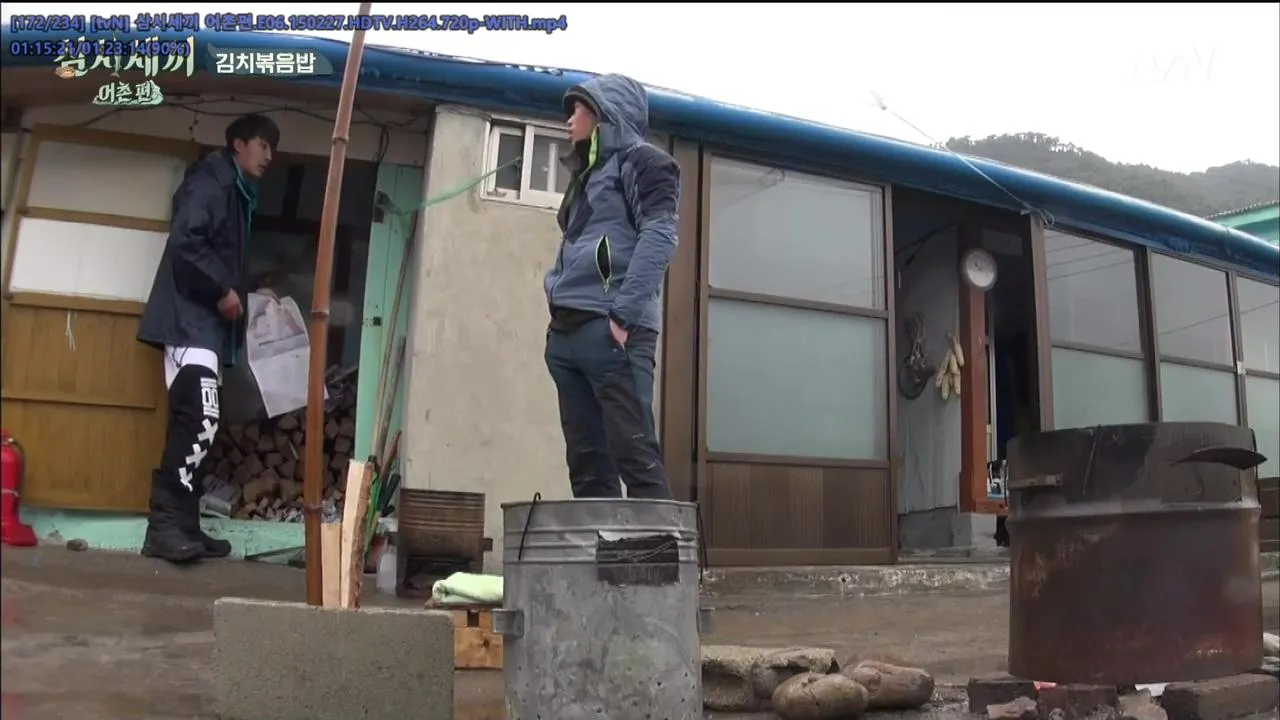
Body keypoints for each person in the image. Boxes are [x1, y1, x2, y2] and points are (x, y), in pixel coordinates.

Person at [136, 114, 279, 563]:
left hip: (205, 327)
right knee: (201, 420)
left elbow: (217, 255)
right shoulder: (211, 182)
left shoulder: (235, 191)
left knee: (197, 424)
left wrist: (248, 289)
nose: (269, 155)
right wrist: (221, 290)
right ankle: (163, 527)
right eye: (262, 144)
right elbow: (186, 243)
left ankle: (185, 526)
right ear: (238, 144)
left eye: (271, 148)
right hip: (188, 321)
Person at [543, 74, 681, 500]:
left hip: (614, 330)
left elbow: (660, 237)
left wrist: (621, 317)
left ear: (607, 114)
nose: (570, 120)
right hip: (567, 332)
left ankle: (657, 545)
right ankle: (601, 545)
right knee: (587, 465)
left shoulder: (645, 162)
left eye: (580, 109)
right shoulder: (587, 175)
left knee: (635, 455)